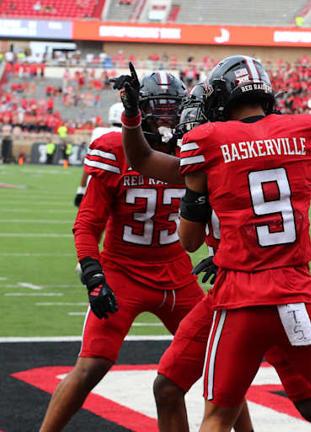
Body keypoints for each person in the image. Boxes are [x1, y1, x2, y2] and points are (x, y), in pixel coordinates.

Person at [171, 55, 311, 431]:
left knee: (218, 418)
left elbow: (189, 241)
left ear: (222, 96)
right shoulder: (304, 129)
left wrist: (213, 189)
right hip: (297, 297)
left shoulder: (205, 140)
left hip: (241, 298)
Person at [113, 76, 311, 431]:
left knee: (246, 409)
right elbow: (307, 180)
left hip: (245, 290)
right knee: (173, 388)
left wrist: (131, 116)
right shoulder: (287, 139)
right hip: (253, 285)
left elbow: (186, 236)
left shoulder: (212, 146)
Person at [39, 72, 205, 432]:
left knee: (217, 364)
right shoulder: (114, 149)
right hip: (122, 273)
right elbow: (87, 223)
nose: (164, 120)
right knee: (92, 366)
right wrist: (93, 275)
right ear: (139, 111)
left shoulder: (195, 146)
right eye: (156, 111)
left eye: (171, 111)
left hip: (178, 273)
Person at [74, 102, 123, 206]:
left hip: (95, 189)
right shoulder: (133, 136)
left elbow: (89, 166)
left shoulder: (98, 132)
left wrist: (80, 190)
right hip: (121, 189)